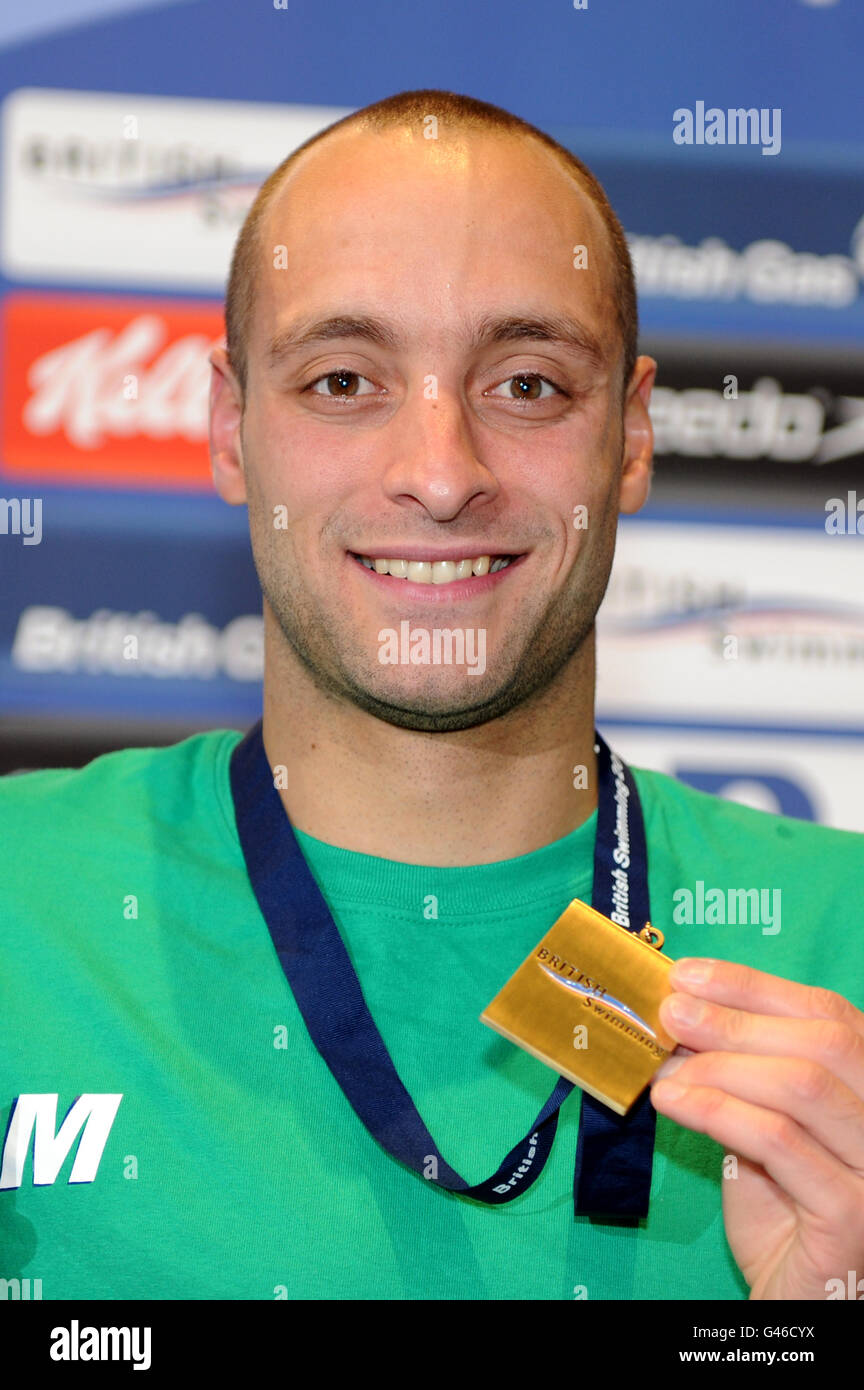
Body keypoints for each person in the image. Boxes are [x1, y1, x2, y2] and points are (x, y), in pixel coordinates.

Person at [2, 89, 862, 1303]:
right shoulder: (18, 911)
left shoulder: (843, 945)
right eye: (346, 380)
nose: (443, 474)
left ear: (630, 434)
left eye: (527, 385)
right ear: (230, 429)